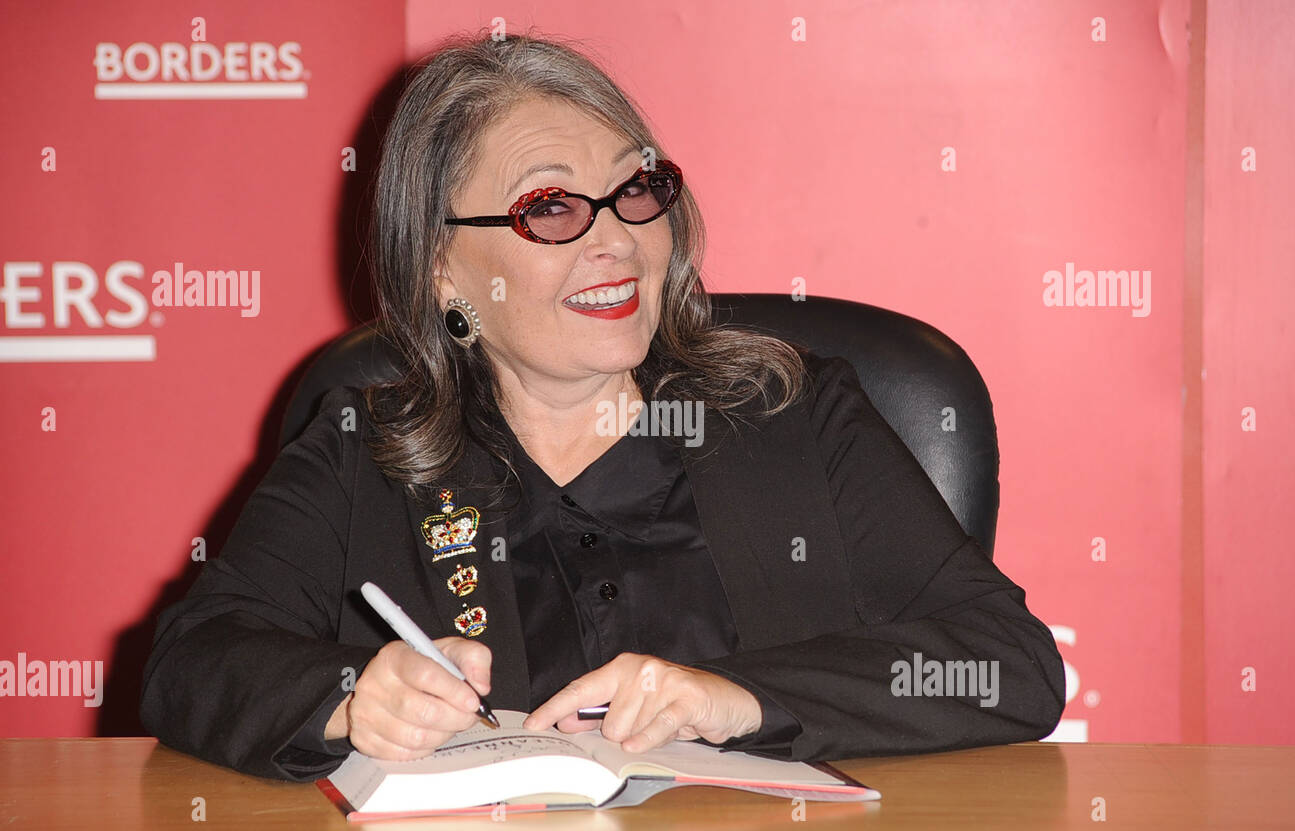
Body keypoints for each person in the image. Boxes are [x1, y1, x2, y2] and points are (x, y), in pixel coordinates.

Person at [139, 31, 1066, 782]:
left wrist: (734, 697)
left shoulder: (795, 414)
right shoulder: (362, 449)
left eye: (634, 189)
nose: (618, 239)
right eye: (550, 208)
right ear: (442, 270)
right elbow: (188, 660)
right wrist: (351, 692)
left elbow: (1009, 665)